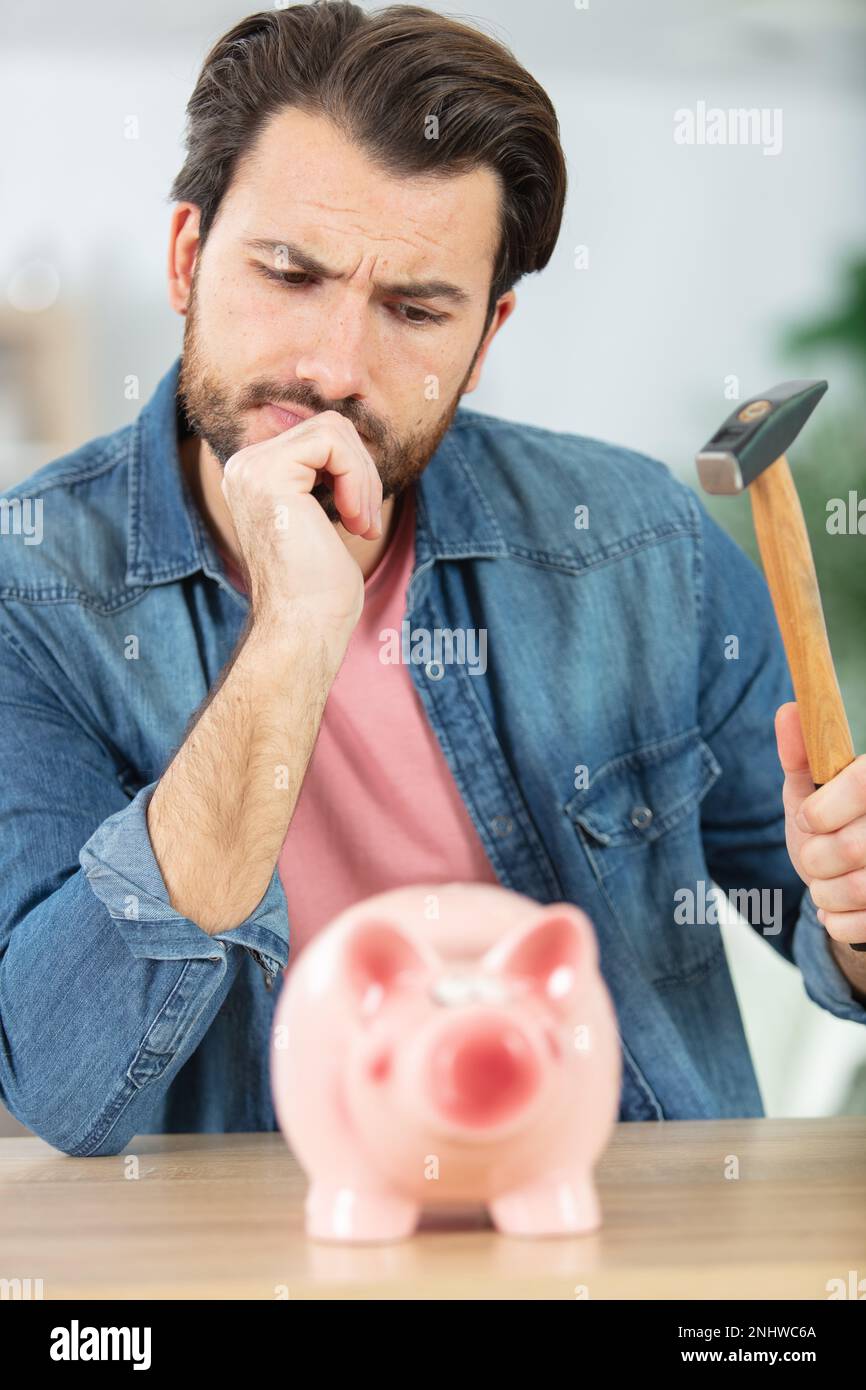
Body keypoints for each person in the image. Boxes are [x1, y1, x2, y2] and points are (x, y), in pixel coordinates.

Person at [1, 1, 864, 1157]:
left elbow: (824, 919)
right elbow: (61, 1081)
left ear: (485, 334)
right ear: (187, 258)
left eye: (414, 310)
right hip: (229, 1267)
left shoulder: (643, 548)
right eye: (289, 274)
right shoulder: (28, 589)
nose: (334, 369)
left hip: (612, 1247)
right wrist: (297, 630)